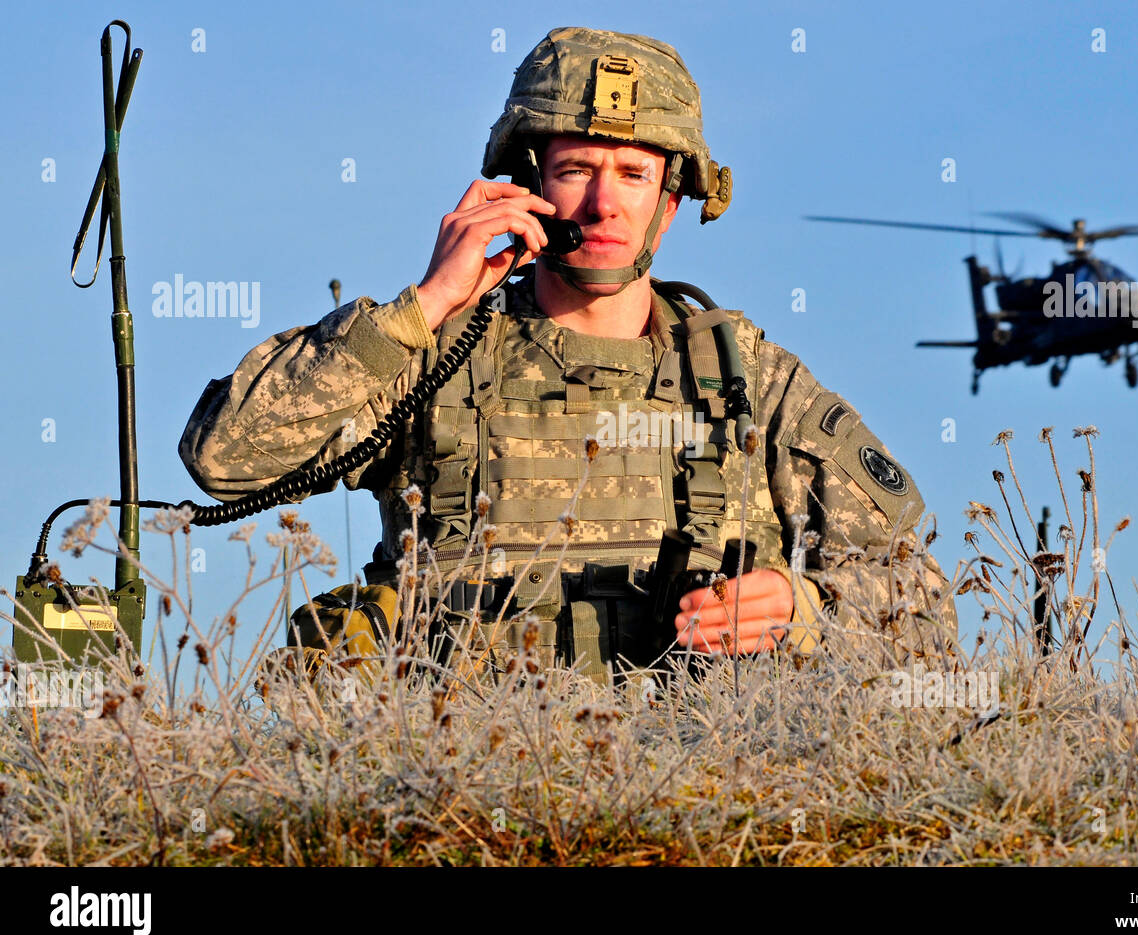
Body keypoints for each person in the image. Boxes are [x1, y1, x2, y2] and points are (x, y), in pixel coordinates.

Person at [179, 26, 955, 686]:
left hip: (700, 792)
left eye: (633, 174)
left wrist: (802, 609)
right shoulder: (436, 353)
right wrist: (425, 306)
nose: (604, 203)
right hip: (456, 790)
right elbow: (224, 458)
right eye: (576, 169)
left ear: (672, 200)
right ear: (527, 184)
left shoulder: (748, 382)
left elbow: (926, 609)